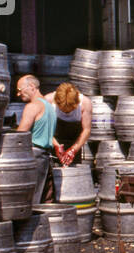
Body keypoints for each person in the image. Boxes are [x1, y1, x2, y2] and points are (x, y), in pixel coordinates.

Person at [15, 75, 56, 203]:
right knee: (43, 200)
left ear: (32, 87)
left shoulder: (32, 106)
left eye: (20, 90)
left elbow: (20, 136)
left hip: (33, 157)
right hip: (45, 158)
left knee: (29, 202)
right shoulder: (50, 107)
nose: (18, 94)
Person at [44, 82, 92, 167]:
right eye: (63, 110)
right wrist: (56, 145)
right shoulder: (48, 101)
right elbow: (45, 128)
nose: (66, 112)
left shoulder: (85, 103)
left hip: (75, 142)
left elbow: (86, 130)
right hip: (53, 140)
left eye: (70, 110)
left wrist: (73, 150)